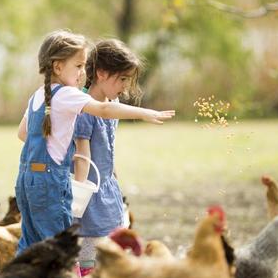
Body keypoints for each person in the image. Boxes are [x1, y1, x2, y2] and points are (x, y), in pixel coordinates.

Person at [15, 30, 174, 254]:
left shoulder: (38, 94)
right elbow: (104, 109)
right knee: (61, 250)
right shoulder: (68, 94)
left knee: (30, 245)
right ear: (58, 67)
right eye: (78, 66)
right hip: (51, 184)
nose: (83, 72)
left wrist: (54, 146)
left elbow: (23, 134)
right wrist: (145, 112)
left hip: (26, 180)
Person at [73, 39, 142, 276]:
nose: (125, 86)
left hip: (108, 192)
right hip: (89, 197)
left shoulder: (113, 104)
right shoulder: (84, 110)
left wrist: (113, 176)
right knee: (89, 259)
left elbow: (108, 150)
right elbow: (82, 158)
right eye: (122, 79)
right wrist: (75, 206)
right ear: (101, 73)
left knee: (114, 259)